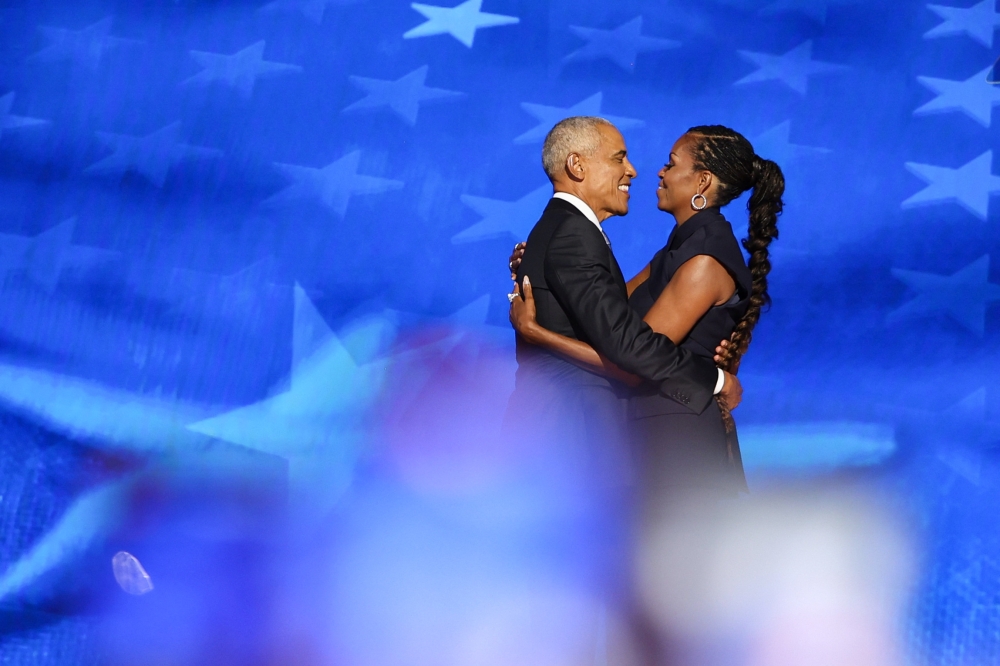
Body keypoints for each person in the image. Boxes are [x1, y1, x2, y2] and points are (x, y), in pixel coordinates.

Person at [509, 124, 784, 501]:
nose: (653, 171)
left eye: (670, 164)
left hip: (676, 442)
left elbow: (633, 359)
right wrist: (546, 272)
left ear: (702, 182)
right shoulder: (676, 251)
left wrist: (539, 334)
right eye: (620, 158)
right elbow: (606, 310)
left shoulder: (703, 259)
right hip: (647, 437)